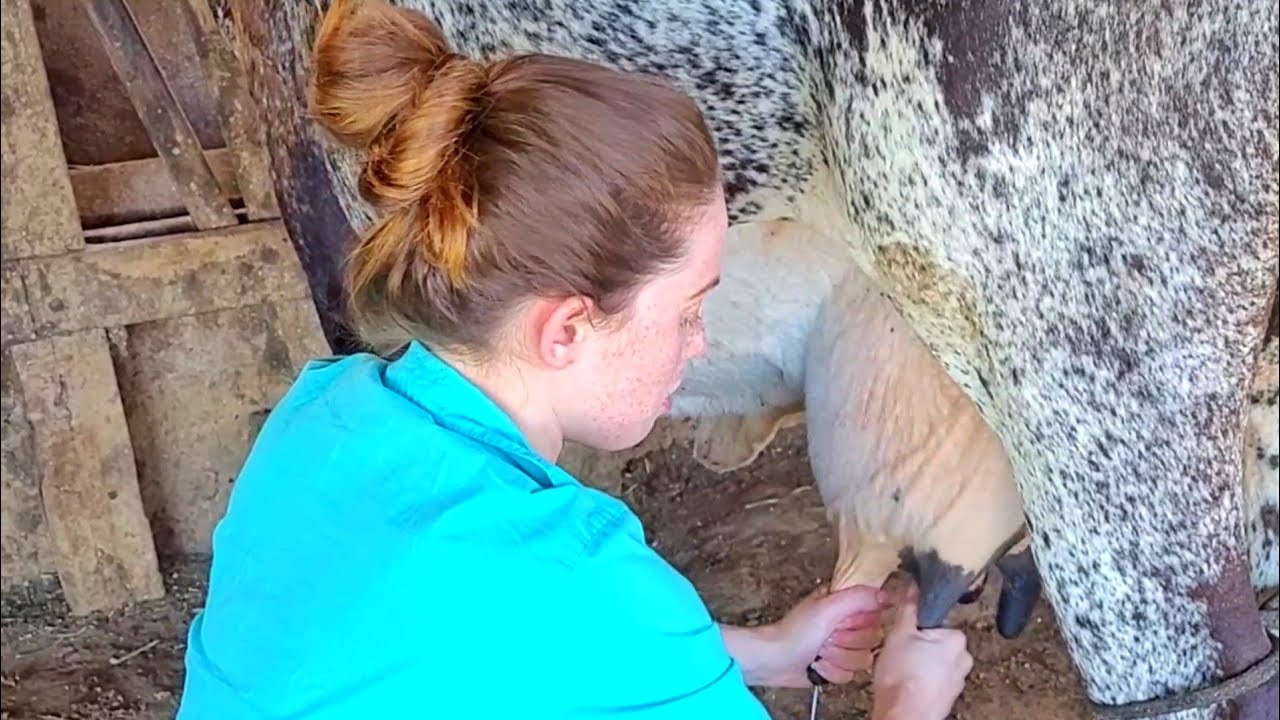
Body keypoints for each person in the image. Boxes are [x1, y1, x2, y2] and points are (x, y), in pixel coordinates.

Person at [176, 1, 973, 718]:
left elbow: (503, 639)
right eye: (690, 311)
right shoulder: (584, 573)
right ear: (566, 330)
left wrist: (764, 652)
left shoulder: (321, 416)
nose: (698, 345)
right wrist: (908, 698)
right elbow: (571, 612)